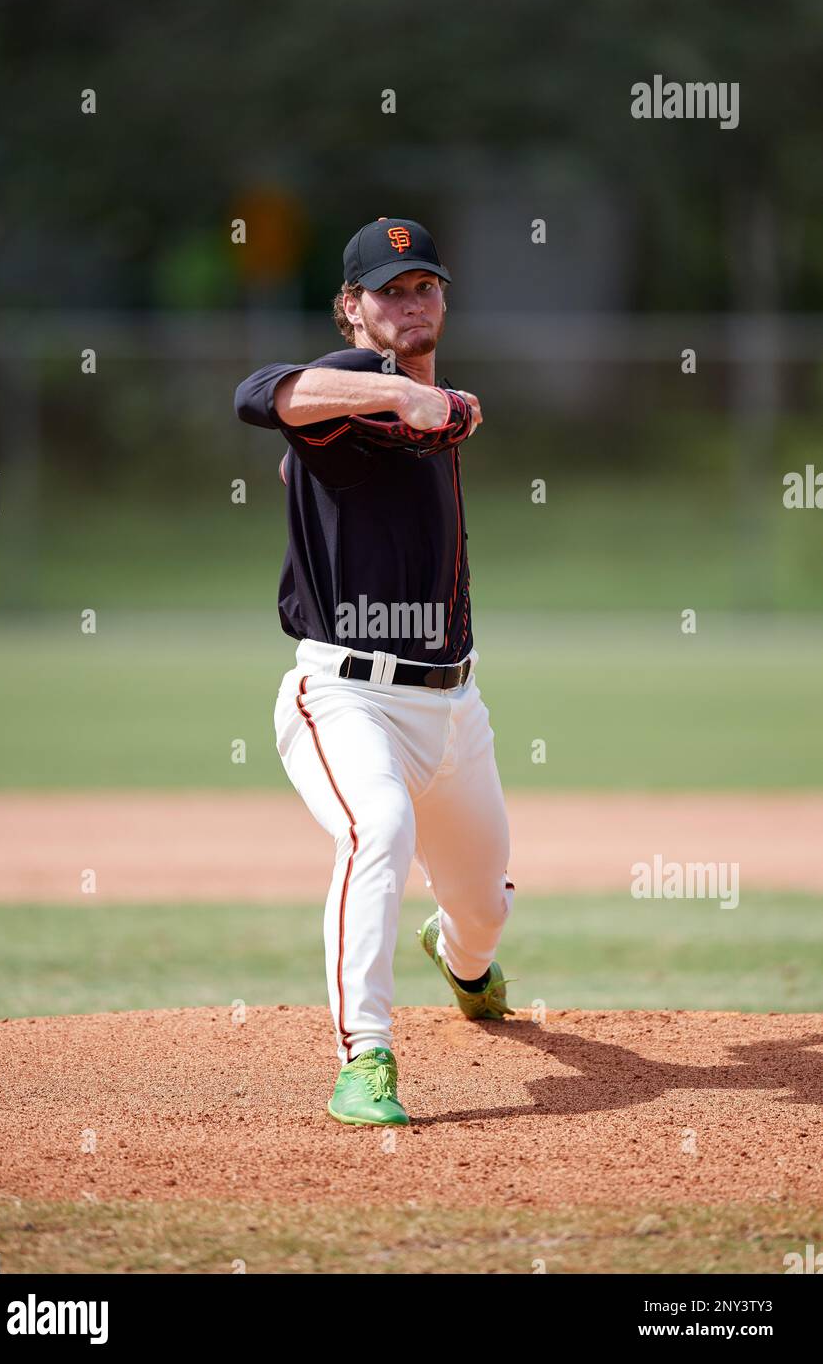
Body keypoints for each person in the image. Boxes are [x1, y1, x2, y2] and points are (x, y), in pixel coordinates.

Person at [234, 216, 515, 1127]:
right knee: (379, 830)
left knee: (484, 912)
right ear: (350, 308)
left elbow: (446, 414)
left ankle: (464, 964)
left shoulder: (432, 396)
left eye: (423, 284)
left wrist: (429, 405)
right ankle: (367, 1058)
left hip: (454, 703)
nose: (409, 301)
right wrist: (393, 397)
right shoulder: (357, 380)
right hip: (347, 694)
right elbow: (260, 392)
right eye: (387, 289)